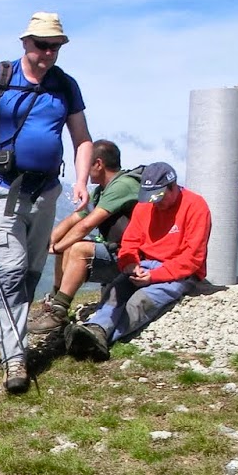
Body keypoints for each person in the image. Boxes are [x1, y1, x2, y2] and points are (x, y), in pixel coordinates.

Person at [0, 11, 93, 395]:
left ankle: (8, 341)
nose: (48, 53)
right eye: (42, 45)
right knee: (12, 271)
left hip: (45, 191)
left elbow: (82, 138)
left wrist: (81, 180)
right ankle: (16, 358)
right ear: (25, 43)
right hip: (0, 189)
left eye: (55, 47)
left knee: (31, 271)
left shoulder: (65, 86)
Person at [67, 162, 210, 362]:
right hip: (144, 265)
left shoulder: (196, 206)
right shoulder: (145, 206)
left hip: (179, 273)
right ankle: (96, 330)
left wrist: (155, 276)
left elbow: (192, 258)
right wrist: (130, 263)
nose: (155, 203)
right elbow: (130, 243)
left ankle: (101, 338)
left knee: (141, 300)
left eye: (159, 197)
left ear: (173, 187)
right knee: (116, 290)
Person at [28, 140, 140, 343]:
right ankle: (54, 305)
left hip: (134, 259)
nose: (83, 172)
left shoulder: (122, 186)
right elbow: (75, 218)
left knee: (78, 248)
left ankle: (59, 310)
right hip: (117, 253)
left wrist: (57, 246)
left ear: (98, 164)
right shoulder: (101, 191)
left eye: (86, 165)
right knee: (69, 245)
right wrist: (50, 242)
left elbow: (86, 225)